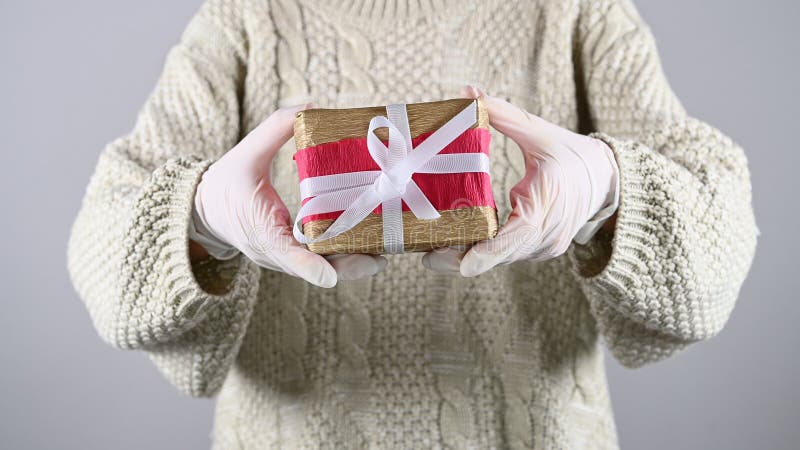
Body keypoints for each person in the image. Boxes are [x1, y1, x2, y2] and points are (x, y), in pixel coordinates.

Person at [66, 0, 758, 448]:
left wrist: (610, 187)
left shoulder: (578, 13)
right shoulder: (246, 17)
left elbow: (719, 249)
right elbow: (102, 250)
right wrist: (201, 216)